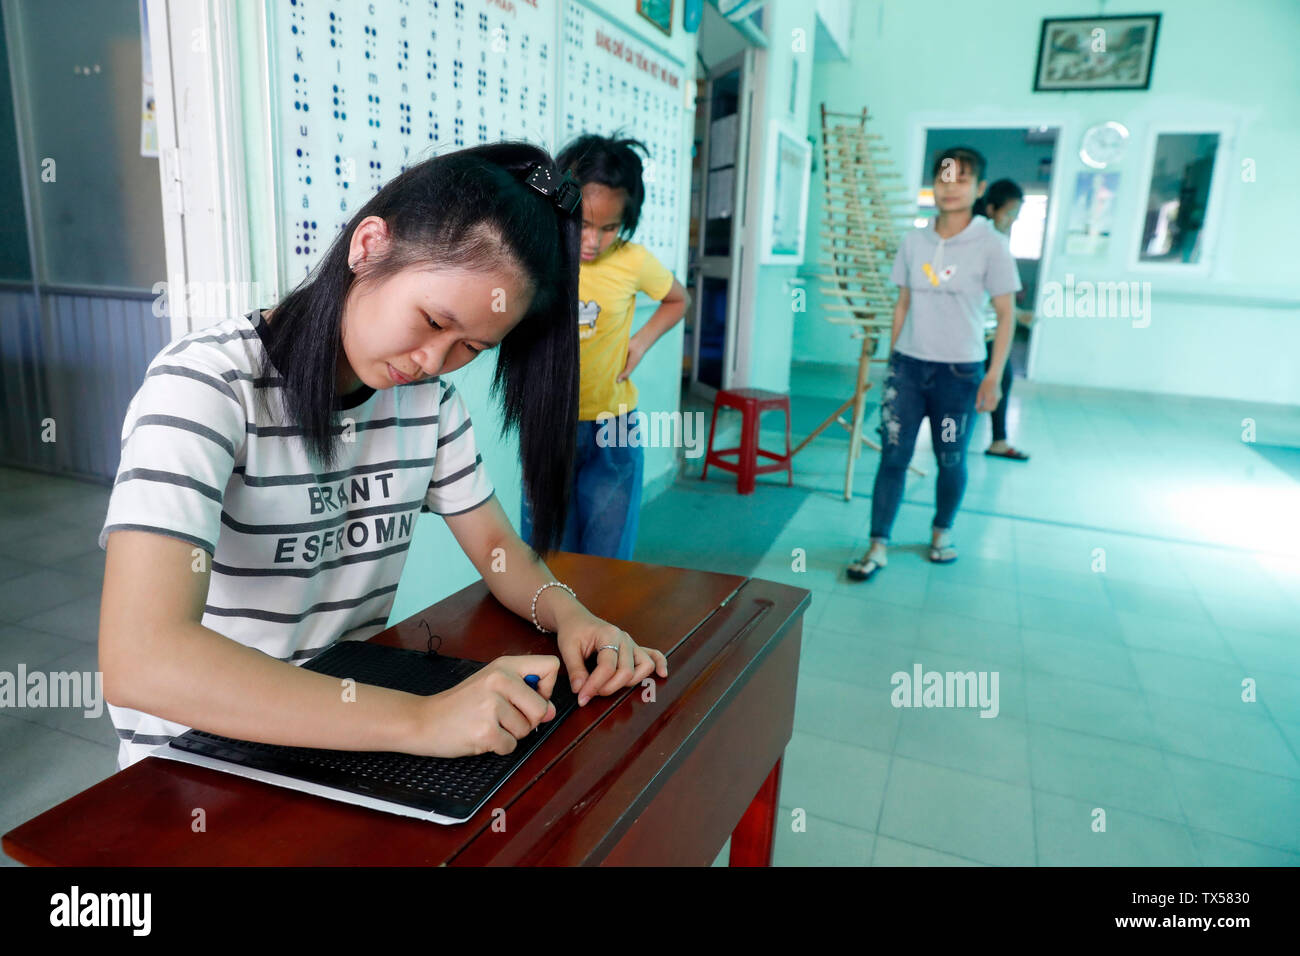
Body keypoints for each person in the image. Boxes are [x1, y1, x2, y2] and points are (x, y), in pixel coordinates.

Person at [98, 142, 667, 770]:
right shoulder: (206, 386)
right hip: (192, 757)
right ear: (369, 246)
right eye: (429, 320)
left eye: (469, 346)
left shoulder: (428, 407)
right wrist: (423, 720)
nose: (432, 360)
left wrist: (570, 614)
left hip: (343, 729)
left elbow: (500, 554)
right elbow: (142, 662)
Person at [846, 146, 1019, 581]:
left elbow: (1006, 315)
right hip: (907, 370)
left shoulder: (992, 246)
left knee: (950, 457)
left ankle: (941, 532)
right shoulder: (913, 240)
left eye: (961, 180)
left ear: (978, 189)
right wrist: (893, 359)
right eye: (943, 179)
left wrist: (994, 377)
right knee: (893, 456)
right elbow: (902, 302)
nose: (950, 188)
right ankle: (877, 544)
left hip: (959, 375)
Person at [520, 133, 690, 560]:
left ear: (627, 220)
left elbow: (678, 299)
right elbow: (516, 179)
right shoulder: (540, 251)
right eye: (584, 221)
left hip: (614, 428)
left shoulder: (633, 260)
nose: (593, 240)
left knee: (608, 559)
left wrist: (641, 342)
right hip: (549, 424)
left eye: (609, 227)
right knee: (548, 559)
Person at [973, 179, 1032, 461]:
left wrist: (1017, 315)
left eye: (1015, 217)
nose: (1010, 221)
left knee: (1000, 379)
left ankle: (997, 440)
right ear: (990, 208)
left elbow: (995, 300)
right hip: (974, 332)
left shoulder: (994, 238)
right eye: (1007, 214)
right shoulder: (987, 239)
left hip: (985, 330)